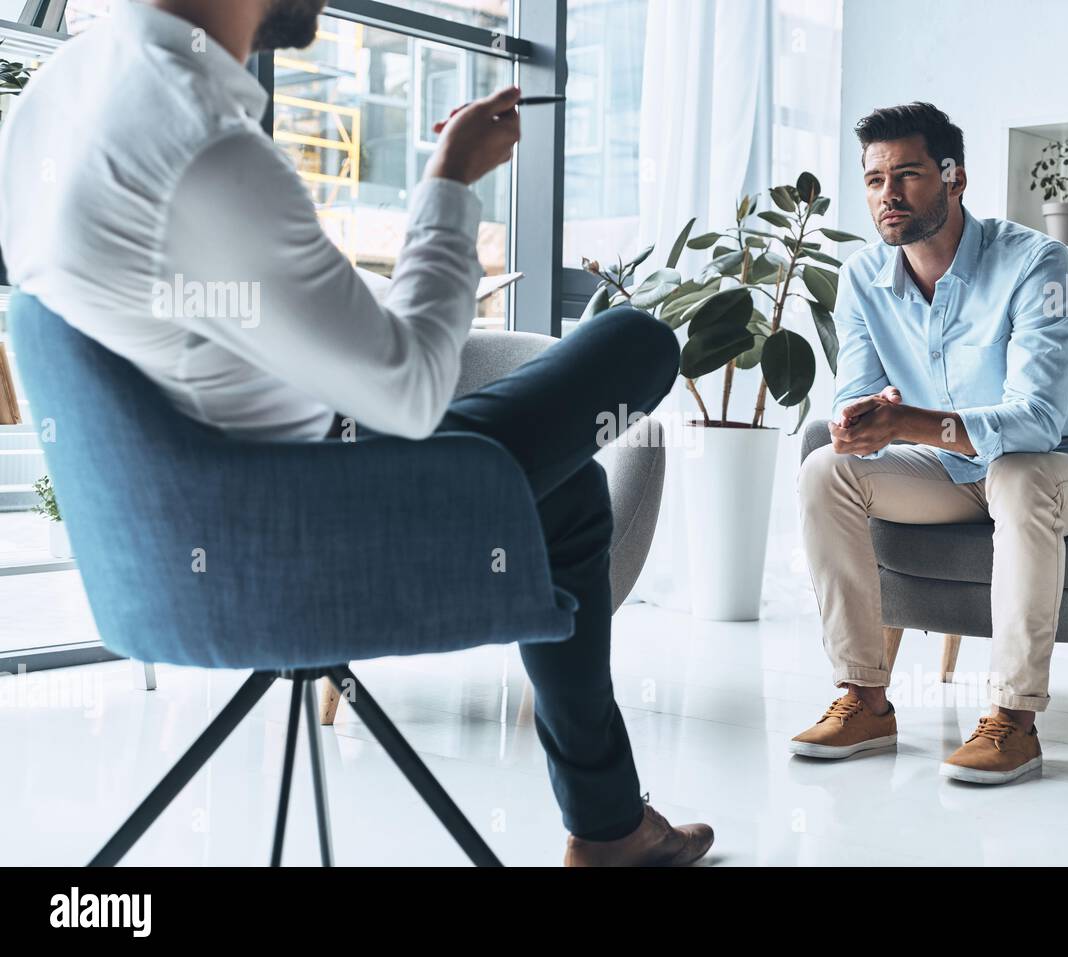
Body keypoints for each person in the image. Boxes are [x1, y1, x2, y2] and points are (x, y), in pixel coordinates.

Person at [0, 0, 712, 866]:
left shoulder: (60, 96)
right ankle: (608, 828)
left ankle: (608, 826)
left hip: (182, 543)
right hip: (310, 535)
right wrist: (450, 182)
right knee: (636, 341)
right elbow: (408, 393)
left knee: (569, 494)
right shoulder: (205, 147)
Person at [790, 102, 1068, 784]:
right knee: (825, 470)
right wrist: (857, 422)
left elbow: (1033, 420)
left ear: (956, 178)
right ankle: (864, 699)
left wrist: (909, 423)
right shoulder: (861, 278)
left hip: (1067, 472)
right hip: (951, 474)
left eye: (909, 174)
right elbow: (852, 397)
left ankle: (1014, 717)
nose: (888, 194)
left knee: (1018, 472)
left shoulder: (1038, 262)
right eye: (875, 179)